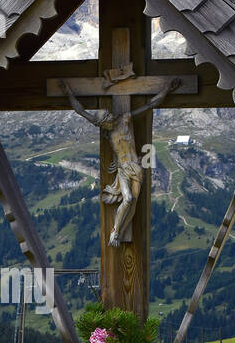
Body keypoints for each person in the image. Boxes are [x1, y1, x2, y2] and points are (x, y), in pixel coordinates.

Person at [63, 74, 182, 245]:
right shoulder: (107, 133)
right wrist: (68, 92)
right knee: (128, 199)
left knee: (132, 204)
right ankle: (115, 232)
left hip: (136, 168)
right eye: (105, 122)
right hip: (123, 169)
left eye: (108, 119)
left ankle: (121, 231)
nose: (109, 122)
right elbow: (81, 111)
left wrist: (167, 89)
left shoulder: (125, 119)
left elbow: (150, 104)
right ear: (102, 125)